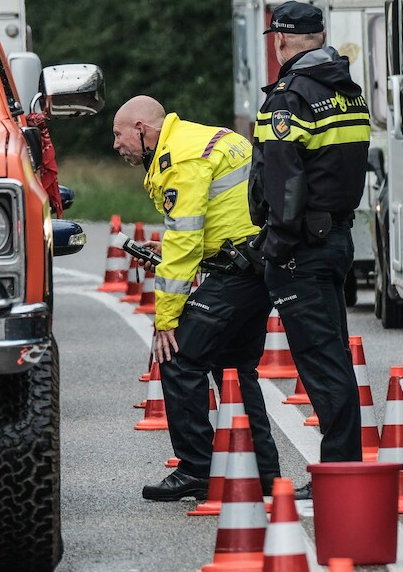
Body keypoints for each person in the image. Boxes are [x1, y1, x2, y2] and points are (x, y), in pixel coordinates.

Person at [112, 95, 283, 501]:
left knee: (178, 358)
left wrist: (166, 318)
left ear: (141, 129)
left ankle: (196, 469)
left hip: (238, 272)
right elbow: (216, 218)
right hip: (256, 264)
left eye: (118, 135)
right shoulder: (198, 139)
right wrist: (171, 253)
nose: (116, 145)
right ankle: (264, 473)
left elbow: (186, 237)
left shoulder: (180, 158)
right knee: (236, 370)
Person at [249, 1, 372, 465]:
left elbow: (283, 180)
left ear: (280, 40)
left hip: (302, 246)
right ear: (321, 36)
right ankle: (343, 462)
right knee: (332, 357)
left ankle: (340, 468)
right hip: (336, 237)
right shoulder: (347, 90)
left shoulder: (291, 96)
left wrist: (276, 246)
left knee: (322, 363)